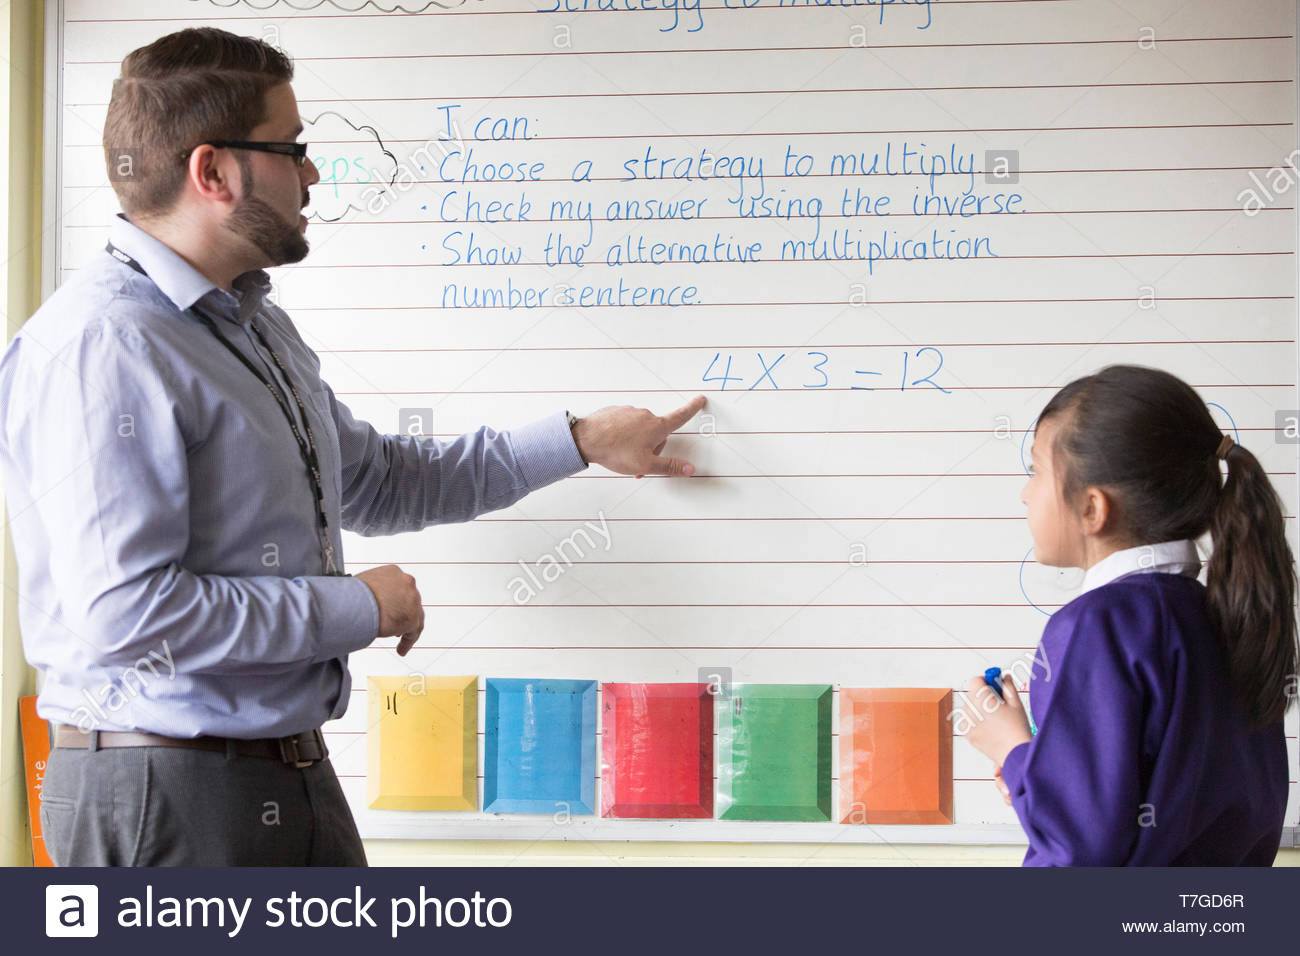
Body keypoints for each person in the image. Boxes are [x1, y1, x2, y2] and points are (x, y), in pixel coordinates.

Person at [0, 27, 706, 866]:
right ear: (213, 171)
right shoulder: (106, 346)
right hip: (171, 789)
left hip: (280, 771)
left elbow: (379, 481)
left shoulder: (252, 329)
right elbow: (127, 615)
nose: (312, 172)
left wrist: (581, 441)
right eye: (292, 148)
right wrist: (356, 609)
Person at [961, 364, 1295, 865]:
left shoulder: (1096, 625)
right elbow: (1139, 805)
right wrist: (1034, 774)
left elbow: (1082, 852)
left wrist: (1010, 747)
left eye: (1035, 471)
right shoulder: (1227, 614)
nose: (1025, 493)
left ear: (1093, 508)